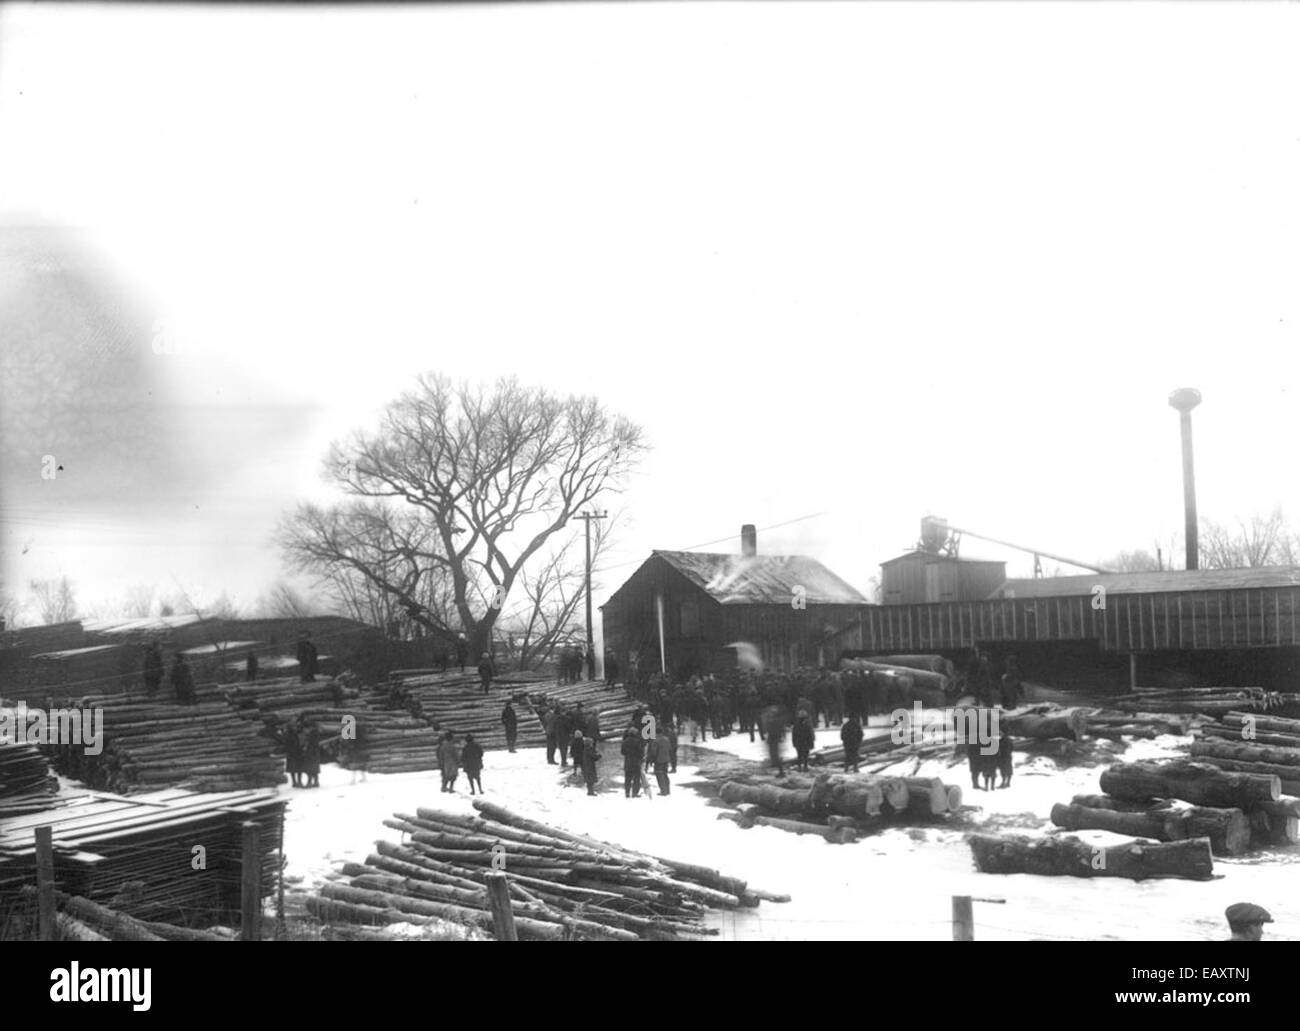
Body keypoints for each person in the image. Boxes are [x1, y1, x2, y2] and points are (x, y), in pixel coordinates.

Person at [646, 724, 671, 796]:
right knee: (665, 775)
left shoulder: (655, 741)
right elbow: (670, 749)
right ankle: (667, 790)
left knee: (660, 776)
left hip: (658, 761)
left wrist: (651, 760)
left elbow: (653, 752)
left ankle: (663, 791)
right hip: (666, 760)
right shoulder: (667, 739)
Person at [762, 704, 787, 777]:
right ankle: (776, 765)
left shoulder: (776, 720)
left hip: (774, 737)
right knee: (773, 752)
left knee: (775, 753)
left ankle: (781, 770)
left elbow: (778, 728)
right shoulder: (776, 719)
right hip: (773, 736)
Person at [621, 724, 645, 798]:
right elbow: (641, 752)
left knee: (627, 779)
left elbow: (622, 752)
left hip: (627, 762)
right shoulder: (638, 741)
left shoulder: (625, 741)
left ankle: (627, 793)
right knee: (636, 779)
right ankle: (635, 792)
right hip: (636, 762)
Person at [283, 718, 304, 788]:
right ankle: (295, 782)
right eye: (293, 727)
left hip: (297, 753)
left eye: (295, 727)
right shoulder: (288, 735)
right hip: (292, 753)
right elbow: (288, 744)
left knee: (299, 768)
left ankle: (299, 781)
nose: (295, 728)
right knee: (293, 768)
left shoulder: (297, 733)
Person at [301, 718, 321, 788]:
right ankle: (316, 782)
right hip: (315, 753)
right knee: (314, 768)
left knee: (309, 768)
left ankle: (309, 783)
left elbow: (311, 744)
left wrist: (306, 749)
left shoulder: (312, 734)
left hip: (311, 754)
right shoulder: (315, 733)